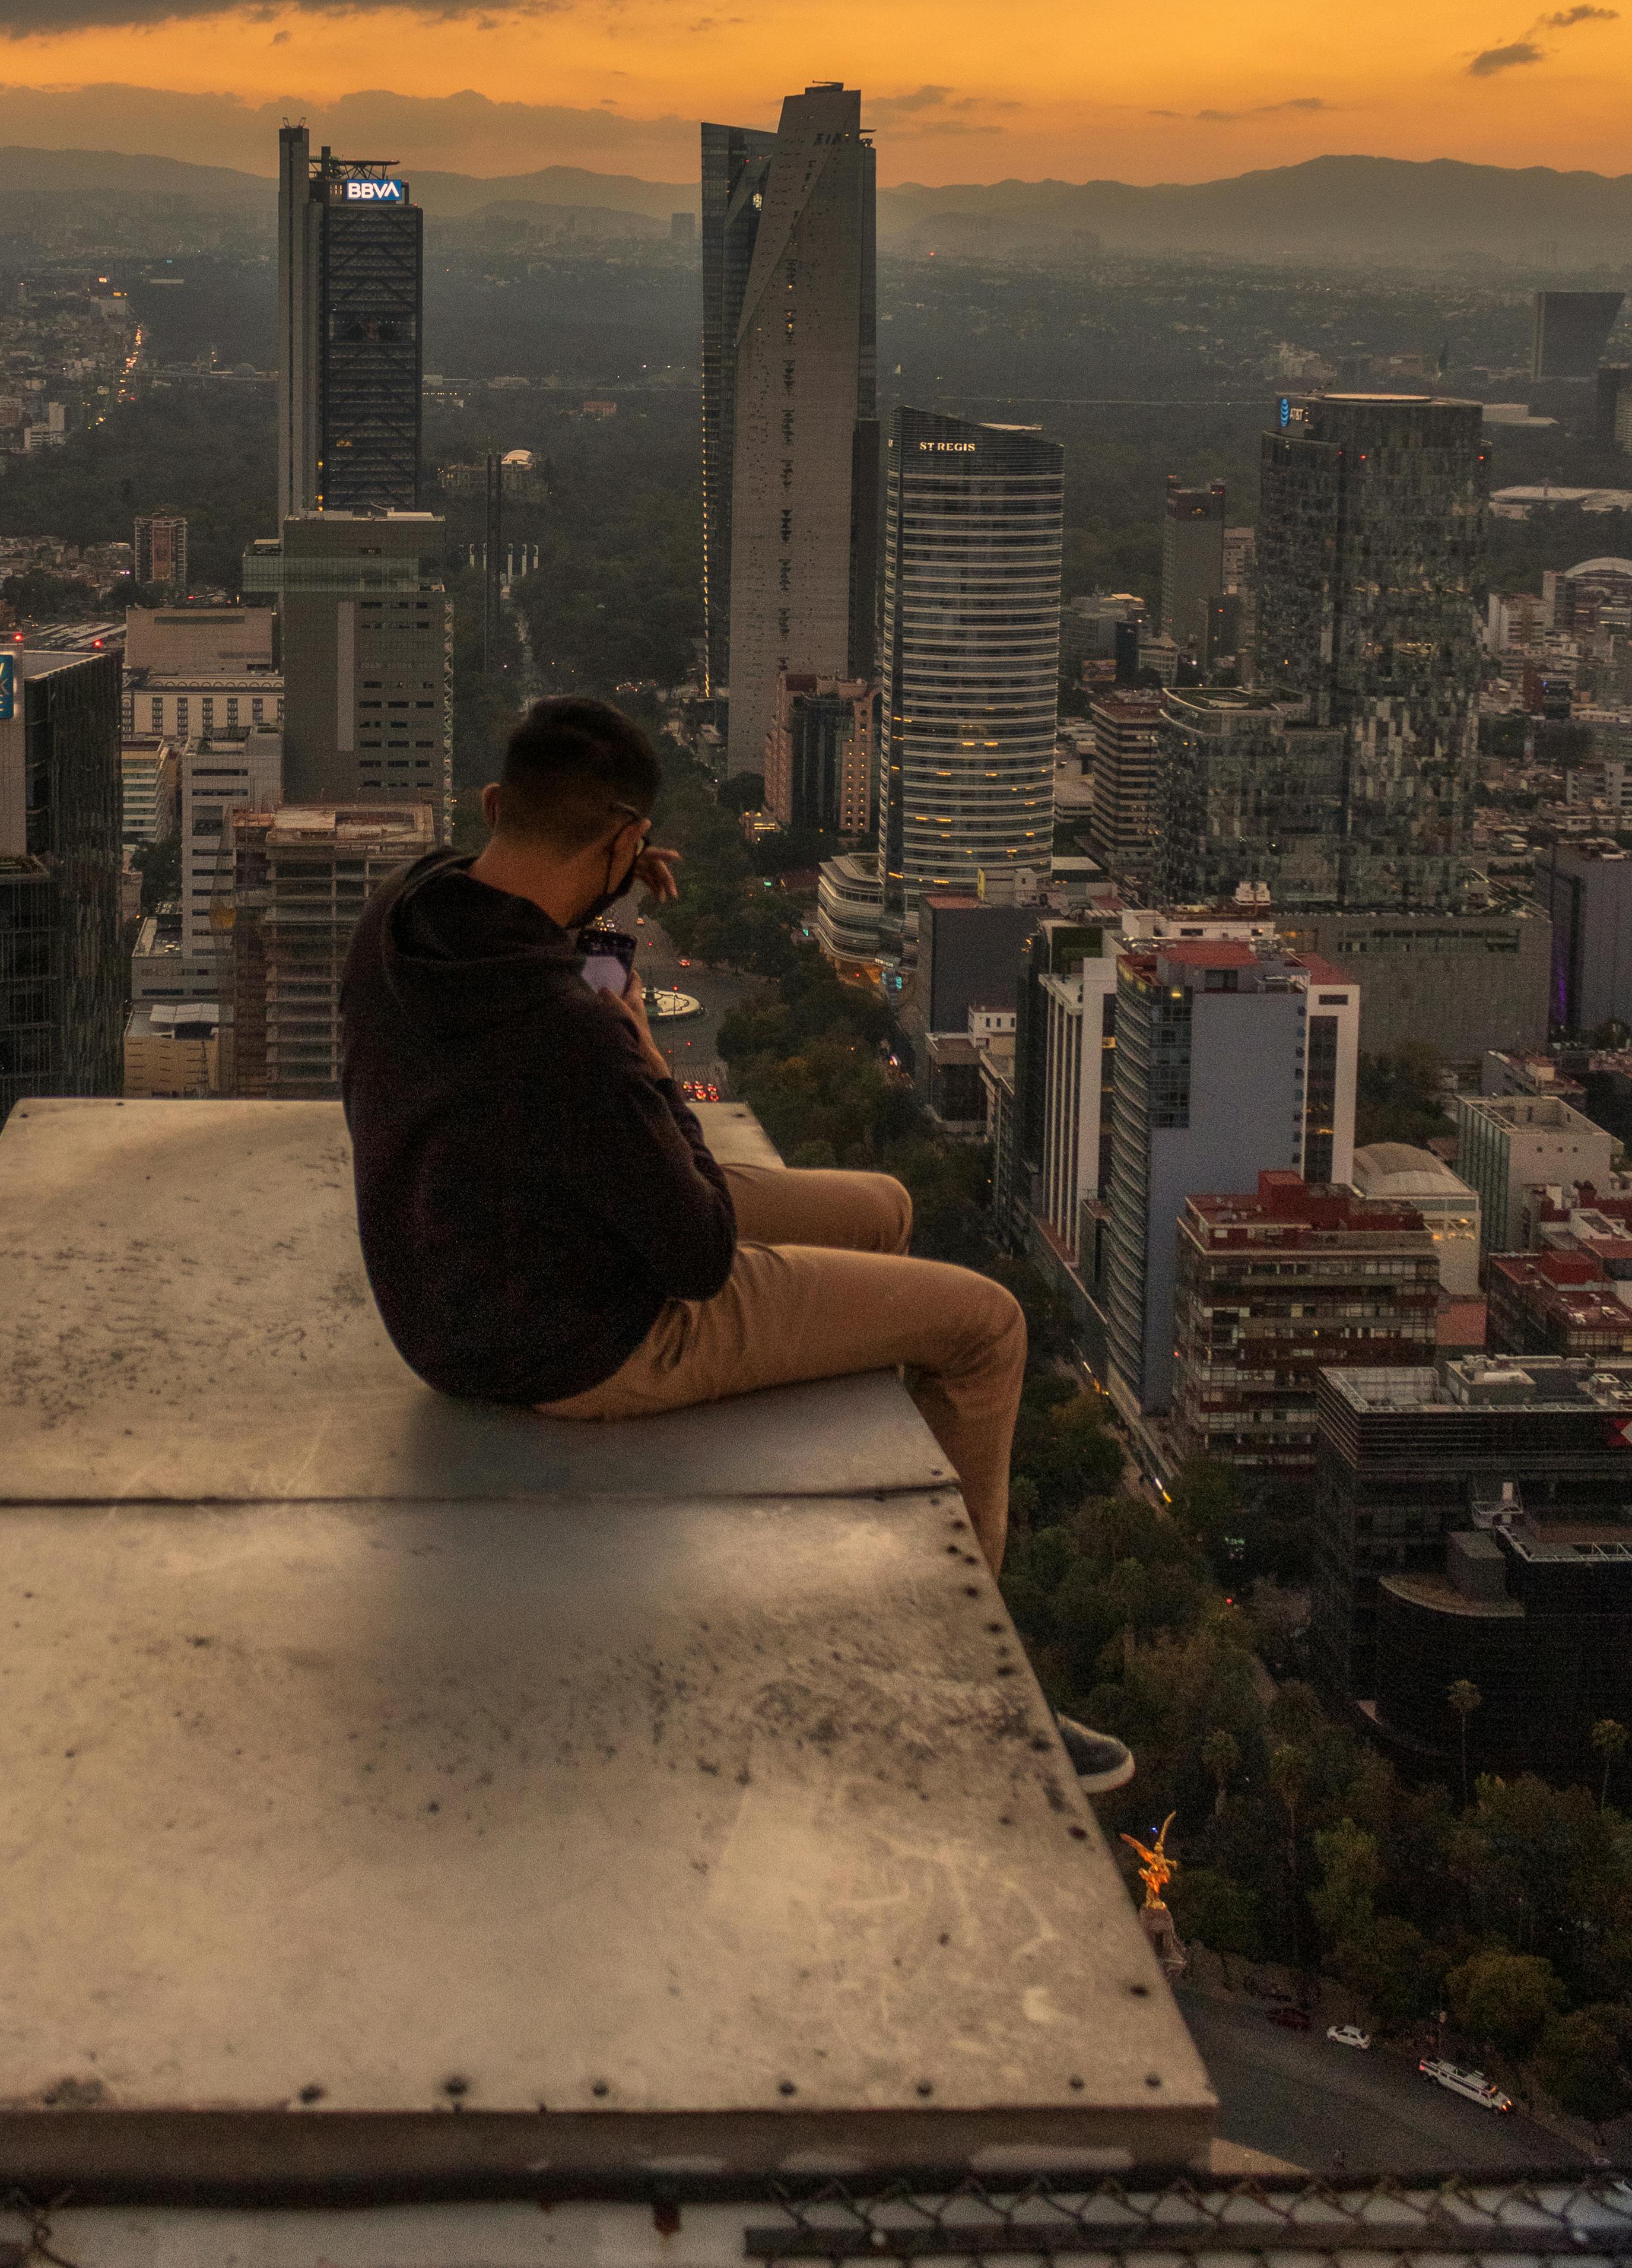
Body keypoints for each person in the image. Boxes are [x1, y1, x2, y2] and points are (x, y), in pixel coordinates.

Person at [338, 693, 1134, 1795]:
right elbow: (701, 1252)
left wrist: (594, 923)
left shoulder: (405, 912)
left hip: (457, 1278)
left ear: (492, 806)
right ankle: (972, 1670)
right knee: (986, 1328)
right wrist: (643, 1049)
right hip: (575, 1339)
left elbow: (531, 963)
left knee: (883, 1210)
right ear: (624, 841)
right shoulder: (577, 1031)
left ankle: (895, 1516)